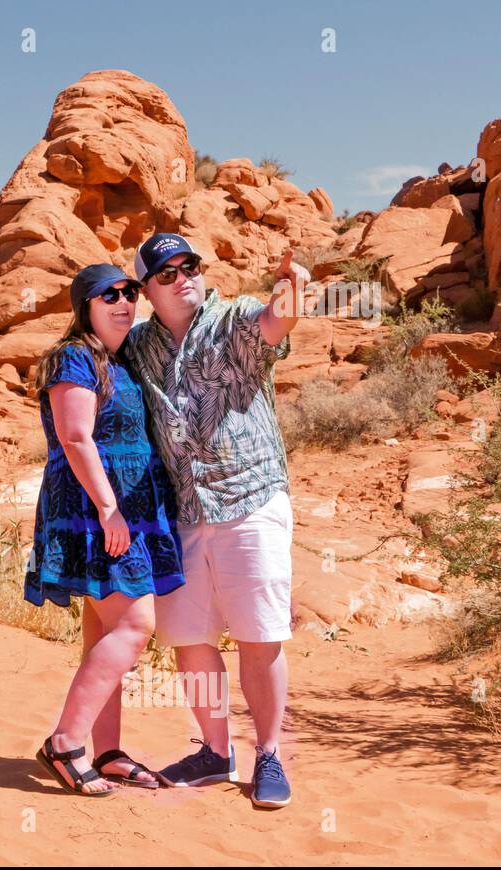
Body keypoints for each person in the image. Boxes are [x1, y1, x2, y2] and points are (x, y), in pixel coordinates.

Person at [120, 232, 308, 809]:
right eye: (168, 273)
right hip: (185, 511)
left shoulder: (231, 320)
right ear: (148, 290)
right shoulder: (141, 346)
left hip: (250, 500)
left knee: (259, 633)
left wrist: (294, 287)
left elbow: (278, 321)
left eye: (190, 266)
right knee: (189, 638)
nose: (184, 278)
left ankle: (269, 754)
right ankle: (215, 751)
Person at [25, 263, 185, 796]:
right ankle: (65, 742)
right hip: (95, 512)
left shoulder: (118, 361)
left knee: (103, 629)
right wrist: (110, 507)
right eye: (108, 294)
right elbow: (75, 438)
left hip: (121, 511)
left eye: (130, 292)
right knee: (136, 625)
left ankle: (108, 750)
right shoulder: (75, 357)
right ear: (85, 306)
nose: (123, 301)